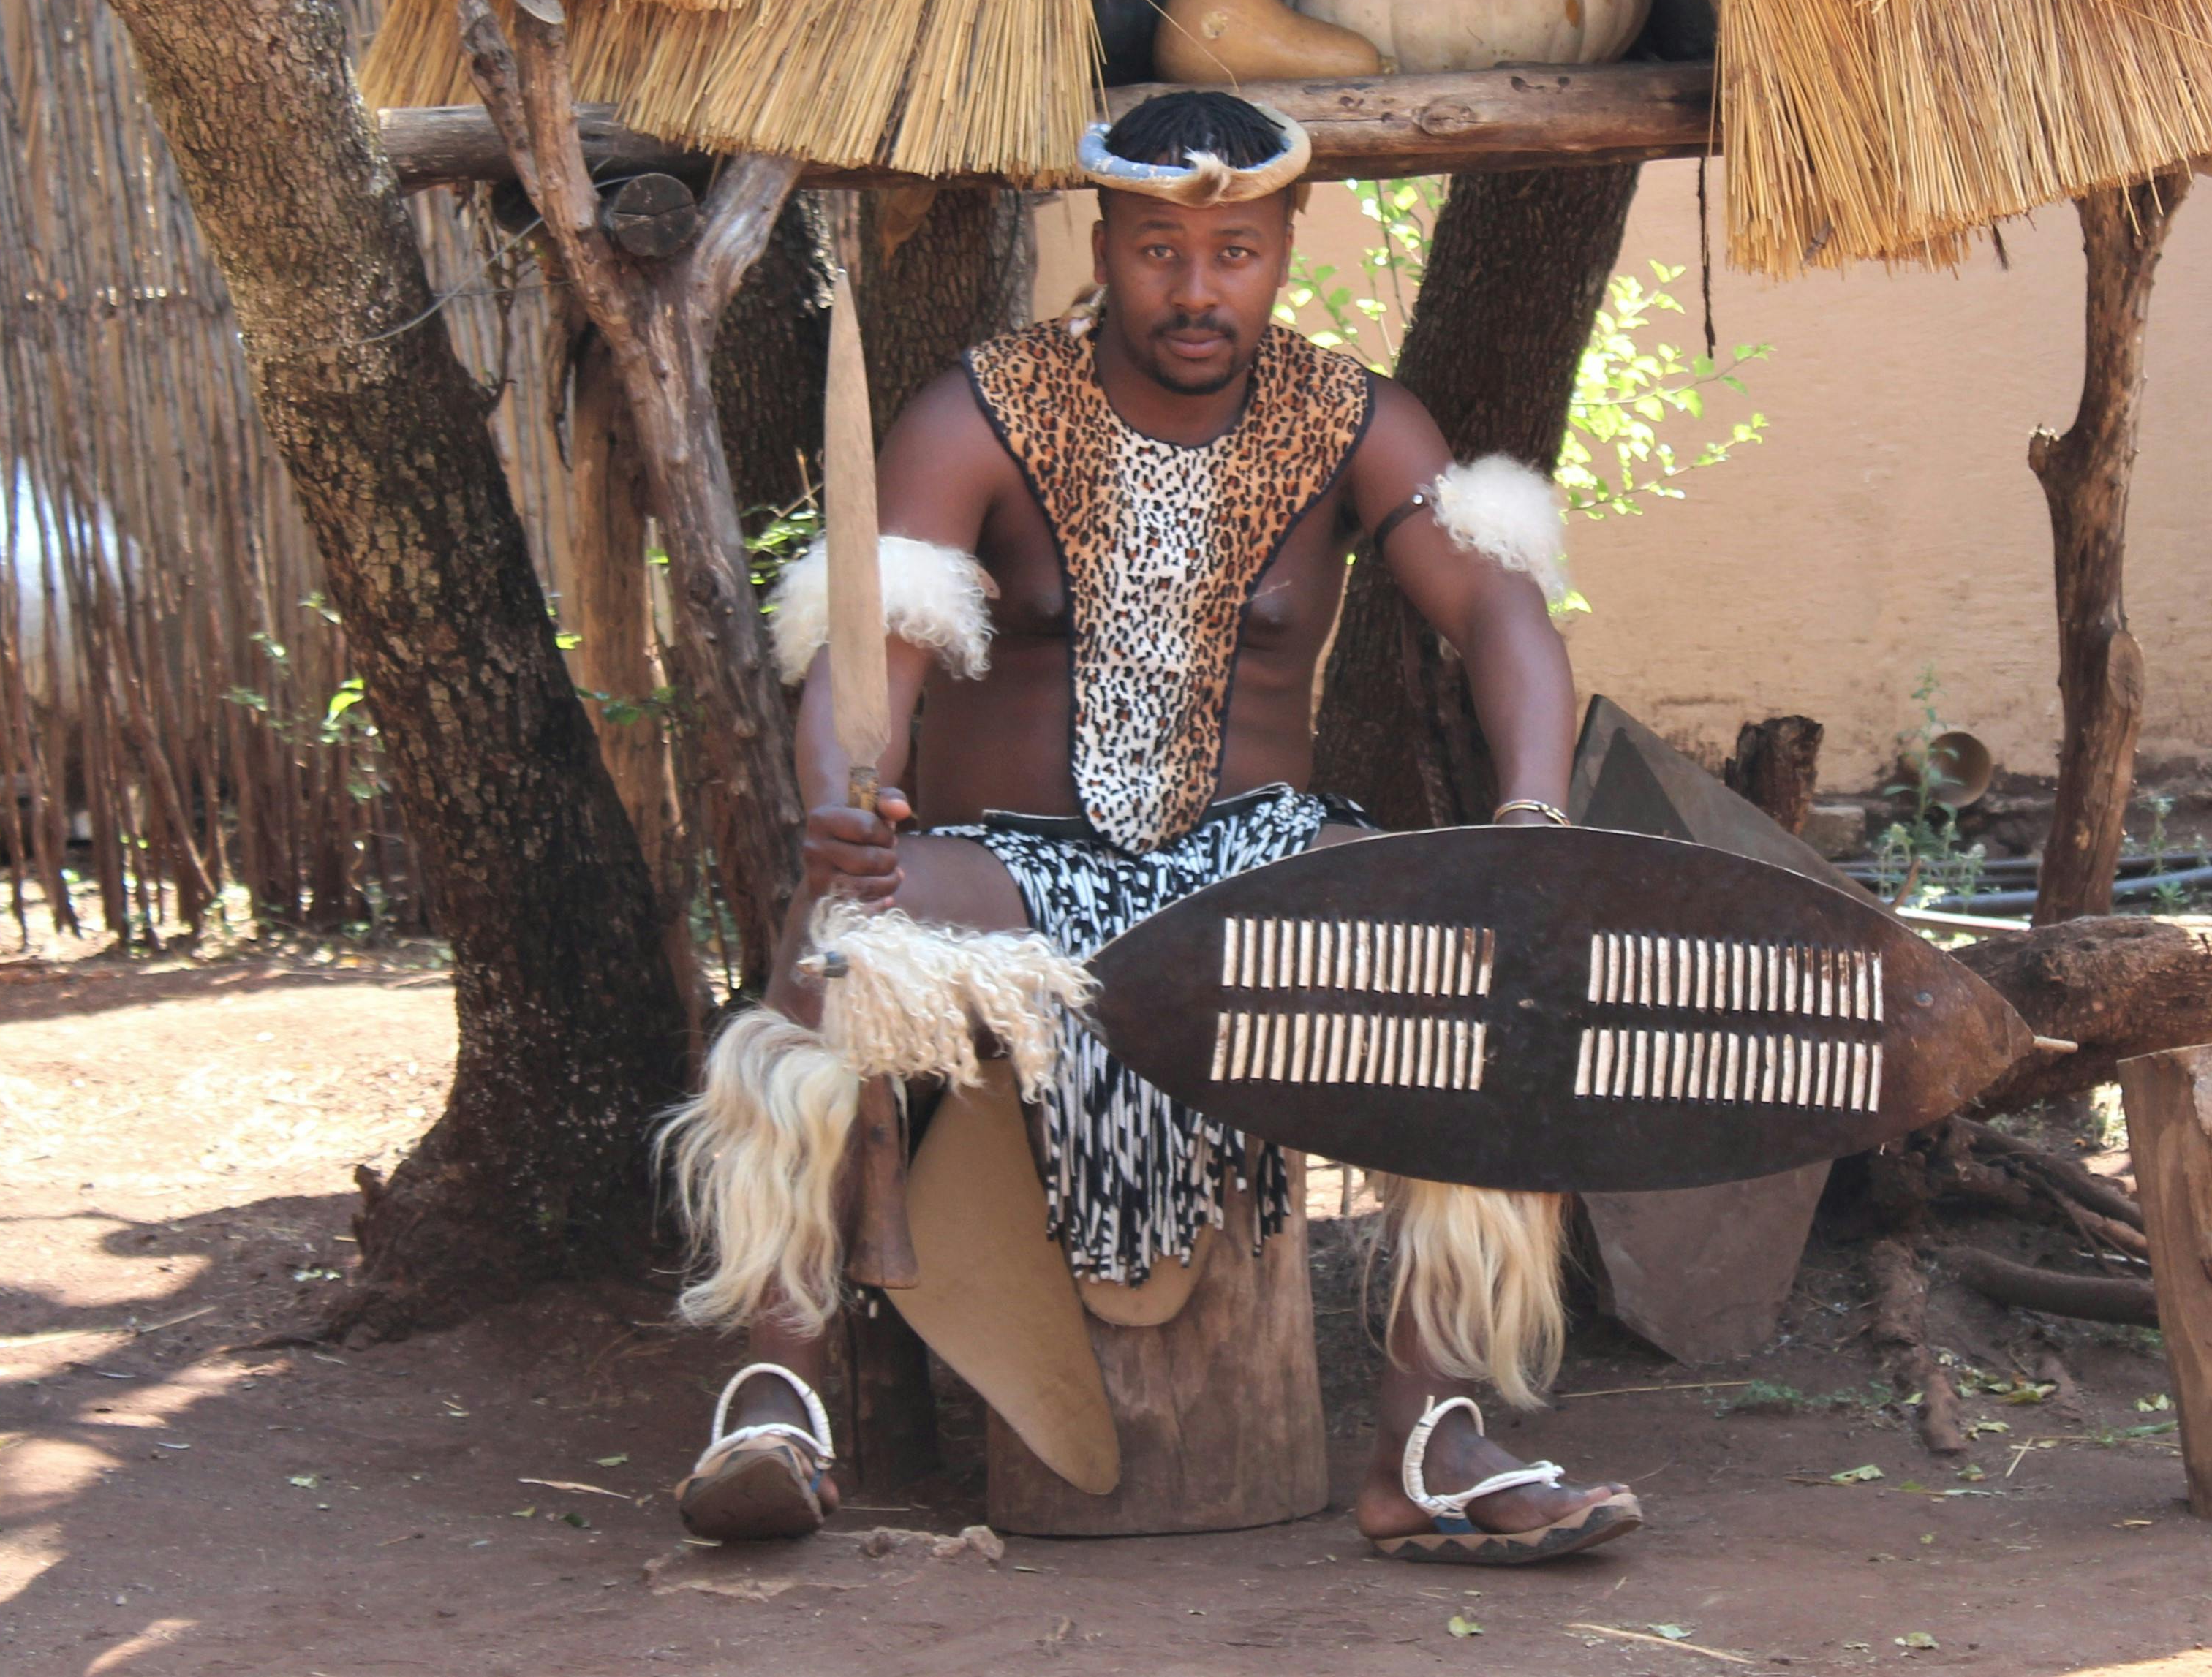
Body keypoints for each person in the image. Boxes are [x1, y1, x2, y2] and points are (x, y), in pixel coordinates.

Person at [663, 89, 1639, 1564]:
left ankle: (1431, 1435)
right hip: (1016, 864)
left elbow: (1499, 606)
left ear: (1284, 245)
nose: (1197, 289)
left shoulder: (1350, 418)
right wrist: (842, 798)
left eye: (1235, 250)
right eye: (1160, 250)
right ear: (1103, 241)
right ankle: (774, 1389)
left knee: (1487, 956)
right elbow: (870, 654)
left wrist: (1530, 816)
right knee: (831, 959)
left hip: (1258, 851)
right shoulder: (982, 408)